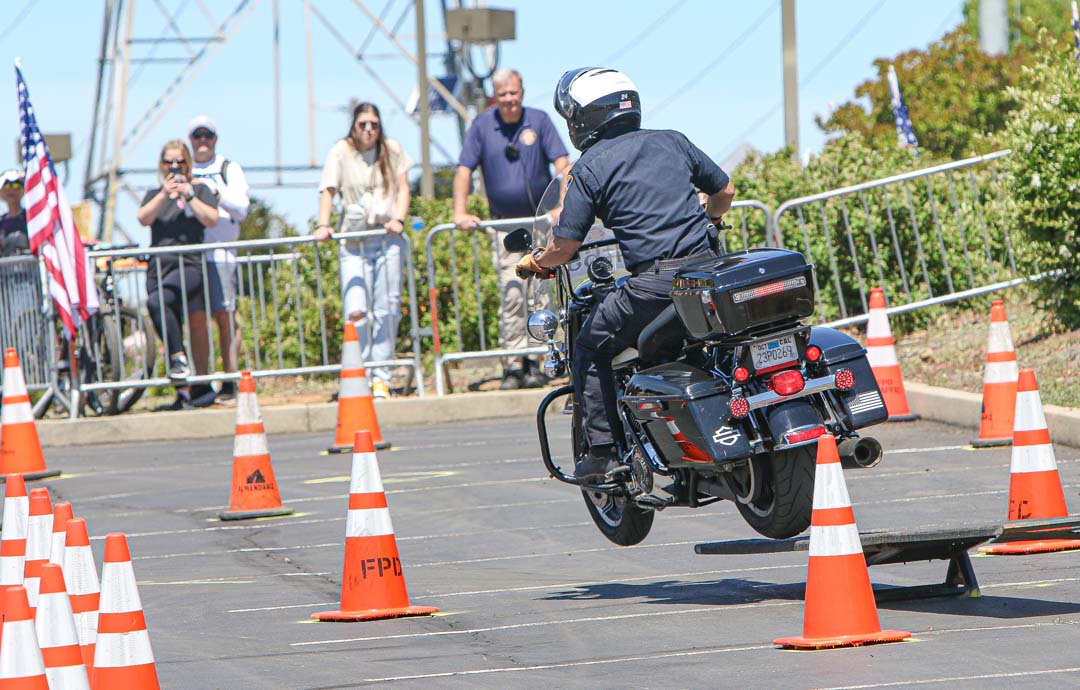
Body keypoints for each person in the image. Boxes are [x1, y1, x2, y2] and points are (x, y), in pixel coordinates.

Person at [515, 67, 736, 482]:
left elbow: (565, 247)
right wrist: (710, 218)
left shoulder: (590, 167)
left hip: (656, 286)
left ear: (582, 120)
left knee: (590, 347)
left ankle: (601, 455)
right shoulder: (672, 140)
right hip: (709, 272)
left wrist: (535, 263)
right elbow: (724, 192)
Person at [453, 68, 571, 390]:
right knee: (513, 295)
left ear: (522, 92)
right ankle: (514, 364)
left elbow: (563, 163)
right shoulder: (482, 126)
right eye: (503, 94)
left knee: (543, 294)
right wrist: (459, 211)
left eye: (514, 93)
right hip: (504, 227)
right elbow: (464, 169)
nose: (509, 100)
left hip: (541, 225)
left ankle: (543, 358)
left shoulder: (540, 120)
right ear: (496, 96)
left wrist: (562, 205)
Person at [315, 103, 412, 399]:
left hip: (385, 239)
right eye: (362, 124)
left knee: (387, 307)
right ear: (353, 126)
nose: (368, 130)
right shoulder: (340, 151)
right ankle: (360, 372)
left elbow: (404, 186)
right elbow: (328, 190)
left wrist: (399, 217)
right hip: (354, 243)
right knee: (356, 309)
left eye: (374, 124)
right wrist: (323, 223)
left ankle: (380, 375)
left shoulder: (391, 149)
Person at [136, 140, 219, 410]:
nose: (174, 167)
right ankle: (182, 390)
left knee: (188, 319)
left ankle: (187, 367)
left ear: (188, 163)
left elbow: (211, 219)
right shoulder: (154, 194)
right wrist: (164, 194)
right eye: (169, 162)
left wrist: (189, 195)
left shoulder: (200, 190)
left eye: (180, 162)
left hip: (189, 267)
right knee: (161, 307)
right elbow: (143, 218)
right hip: (160, 268)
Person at [187, 115, 251, 406]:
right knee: (198, 320)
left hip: (221, 253)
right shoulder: (184, 170)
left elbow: (242, 209)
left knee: (225, 316)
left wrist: (215, 192)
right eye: (197, 136)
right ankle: (201, 383)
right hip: (192, 256)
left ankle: (230, 378)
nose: (202, 141)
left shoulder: (228, 168)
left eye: (207, 135)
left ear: (215, 139)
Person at [0, 169, 29, 257]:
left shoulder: (30, 218)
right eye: (7, 186)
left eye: (16, 185)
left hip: (29, 268)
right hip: (6, 269)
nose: (11, 190)